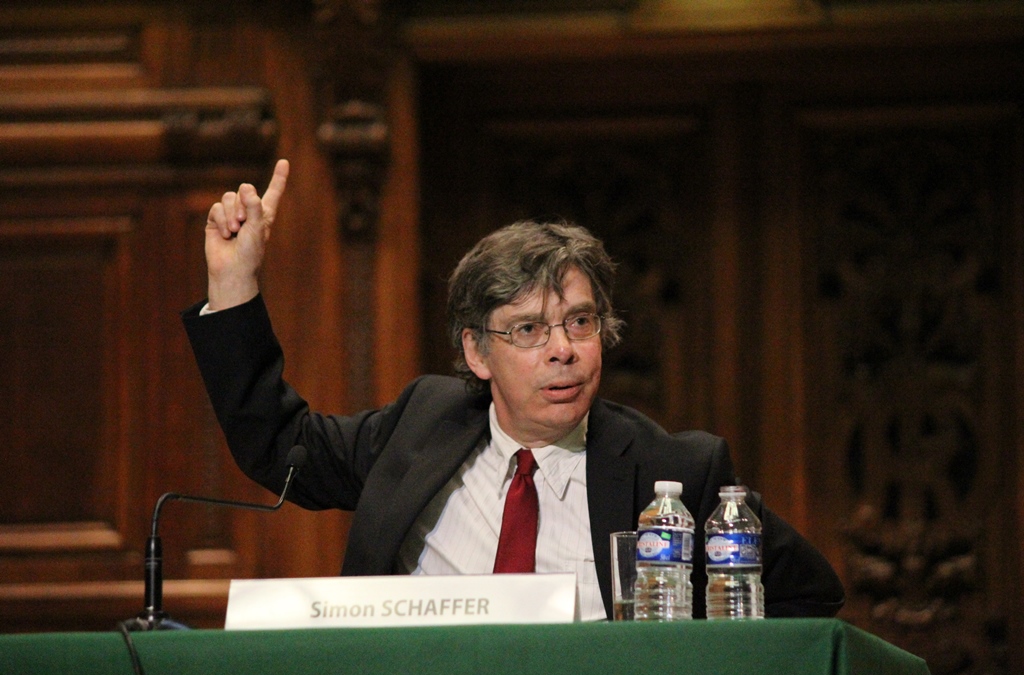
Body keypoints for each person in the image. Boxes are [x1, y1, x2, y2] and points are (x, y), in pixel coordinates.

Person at [183, 159, 844, 620]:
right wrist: (234, 285)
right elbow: (278, 443)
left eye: (579, 322)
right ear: (477, 351)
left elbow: (809, 597)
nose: (563, 349)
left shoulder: (673, 474)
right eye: (529, 329)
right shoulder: (420, 427)